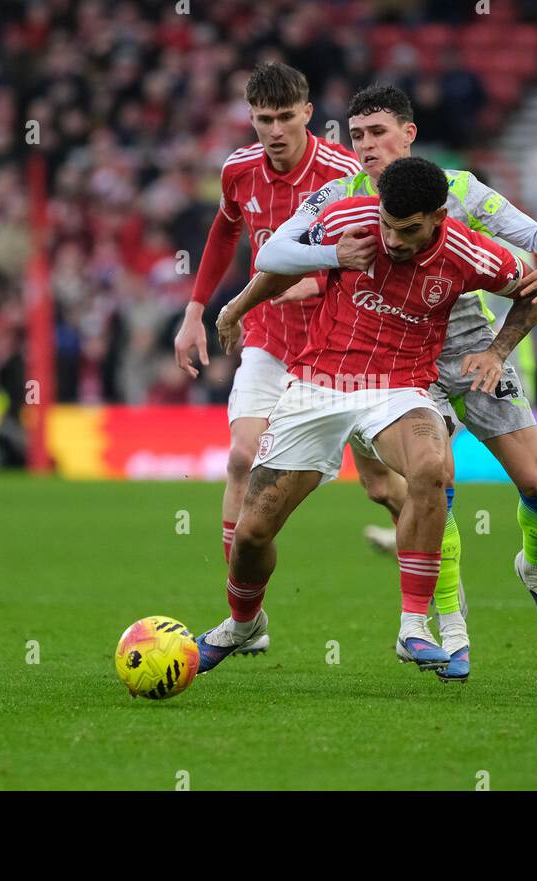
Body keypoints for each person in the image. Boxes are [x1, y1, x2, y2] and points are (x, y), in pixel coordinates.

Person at [197, 158, 537, 682]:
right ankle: (241, 624)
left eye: (409, 228)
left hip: (399, 387)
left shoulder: (468, 250)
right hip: (319, 384)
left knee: (431, 469)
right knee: (253, 533)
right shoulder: (353, 219)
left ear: (439, 216)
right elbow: (277, 259)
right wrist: (237, 308)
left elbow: (533, 288)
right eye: (388, 224)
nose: (393, 239)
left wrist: (498, 349)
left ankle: (414, 625)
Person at [172, 62, 360, 657]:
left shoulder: (343, 173)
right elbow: (224, 234)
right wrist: (194, 311)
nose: (274, 130)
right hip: (269, 340)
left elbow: (371, 251)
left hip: (337, 349)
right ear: (250, 118)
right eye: (262, 119)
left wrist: (314, 280)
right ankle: (244, 618)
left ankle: (434, 600)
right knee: (241, 458)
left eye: (284, 117)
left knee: (388, 487)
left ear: (307, 114)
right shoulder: (238, 170)